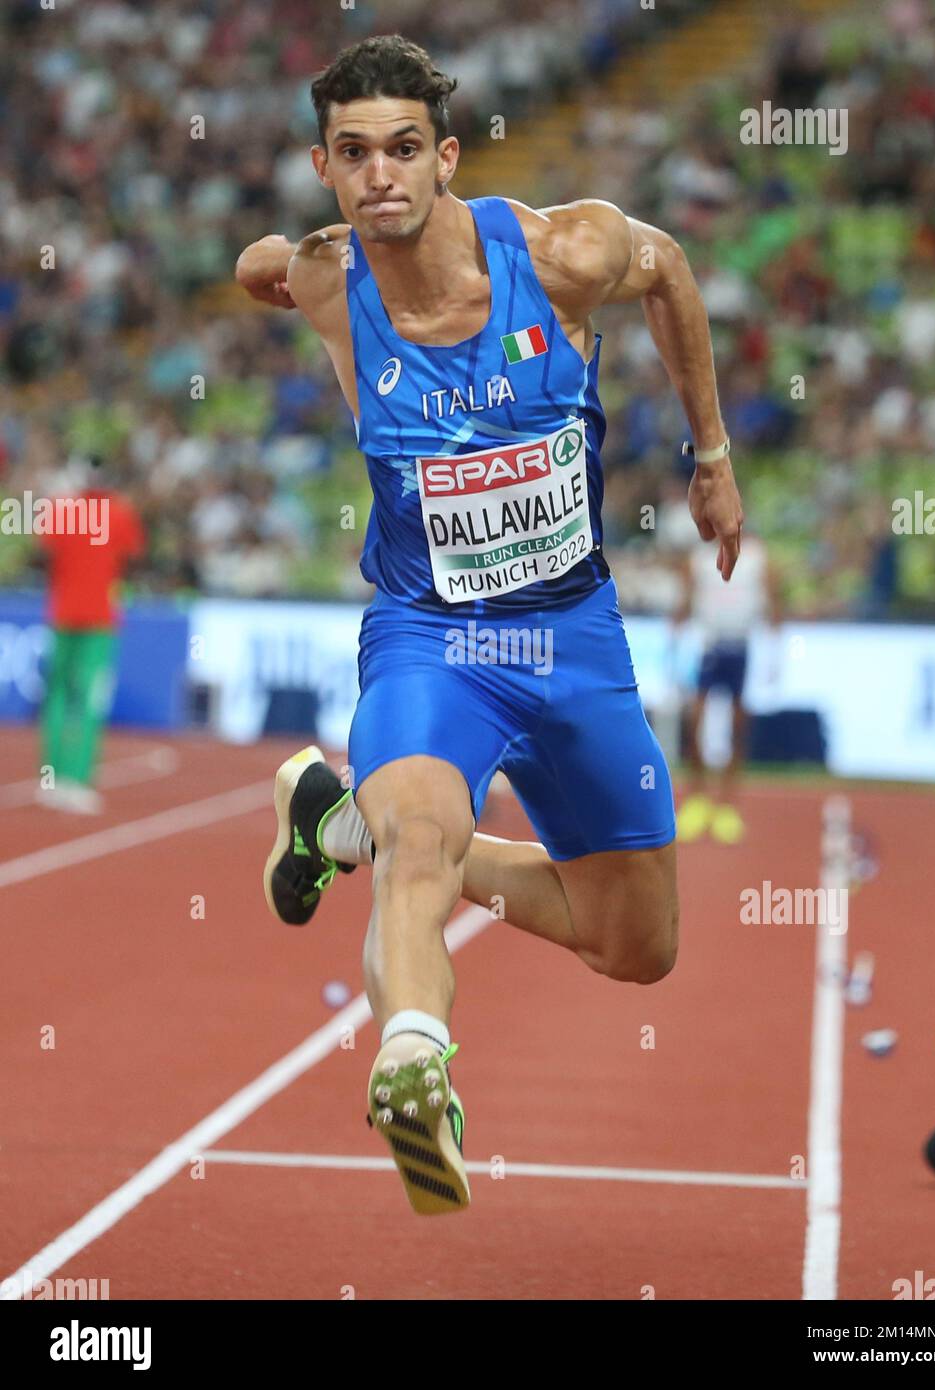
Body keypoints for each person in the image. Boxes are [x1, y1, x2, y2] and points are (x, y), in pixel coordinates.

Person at [236, 34, 743, 1215]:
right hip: (431, 637)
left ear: (446, 156)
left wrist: (708, 454)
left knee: (636, 945)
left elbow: (666, 272)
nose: (380, 177)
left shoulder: (561, 251)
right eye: (352, 155)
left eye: (403, 149)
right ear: (325, 165)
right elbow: (265, 265)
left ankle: (334, 822)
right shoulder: (325, 280)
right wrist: (270, 256)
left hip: (571, 635)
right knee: (423, 839)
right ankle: (412, 1060)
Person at [35, 460, 146, 815]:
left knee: (57, 696)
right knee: (89, 701)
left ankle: (50, 778)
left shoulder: (60, 510)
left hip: (62, 614)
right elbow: (134, 552)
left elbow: (43, 548)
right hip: (98, 618)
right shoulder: (119, 513)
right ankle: (77, 780)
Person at [674, 530, 780, 844]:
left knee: (738, 725)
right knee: (695, 720)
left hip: (741, 646)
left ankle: (727, 804)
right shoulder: (699, 558)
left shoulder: (758, 557)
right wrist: (675, 643)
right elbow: (685, 600)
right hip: (708, 646)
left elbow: (773, 601)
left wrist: (775, 653)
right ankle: (697, 798)